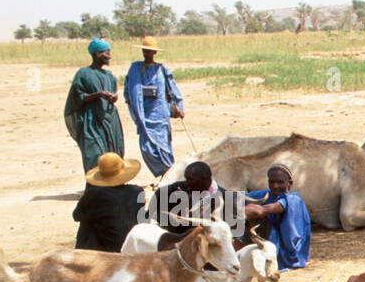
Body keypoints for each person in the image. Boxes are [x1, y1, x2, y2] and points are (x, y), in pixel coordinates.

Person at [123, 36, 184, 178]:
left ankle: (169, 176)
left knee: (164, 147)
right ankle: (164, 174)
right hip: (144, 115)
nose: (147, 53)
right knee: (147, 148)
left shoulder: (162, 69)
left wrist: (179, 107)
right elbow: (128, 90)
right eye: (145, 50)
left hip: (160, 114)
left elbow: (173, 89)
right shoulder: (135, 69)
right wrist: (131, 102)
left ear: (155, 53)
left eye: (150, 51)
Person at [64, 39, 124, 174]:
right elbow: (78, 97)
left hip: (109, 120)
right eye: (107, 53)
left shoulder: (109, 76)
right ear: (97, 54)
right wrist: (99, 94)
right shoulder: (83, 74)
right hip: (91, 122)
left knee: (112, 155)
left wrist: (113, 97)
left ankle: (112, 186)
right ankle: (95, 187)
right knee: (95, 154)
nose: (110, 56)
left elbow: (113, 93)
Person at [147, 161, 244, 243]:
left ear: (204, 180)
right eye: (186, 178)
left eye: (190, 180)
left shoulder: (226, 198)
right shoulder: (180, 189)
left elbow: (234, 232)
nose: (186, 182)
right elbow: (159, 194)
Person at [241, 164, 311, 270]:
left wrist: (235, 212)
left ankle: (239, 259)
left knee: (255, 222)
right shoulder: (266, 194)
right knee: (231, 207)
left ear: (290, 183)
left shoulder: (293, 199)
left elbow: (261, 211)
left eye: (280, 182)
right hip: (272, 243)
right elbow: (236, 198)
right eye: (272, 182)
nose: (275, 186)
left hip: (288, 252)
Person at [72, 152, 145, 252]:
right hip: (131, 245)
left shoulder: (94, 194)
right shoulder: (137, 191)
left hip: (107, 249)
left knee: (87, 221)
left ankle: (83, 256)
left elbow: (76, 215)